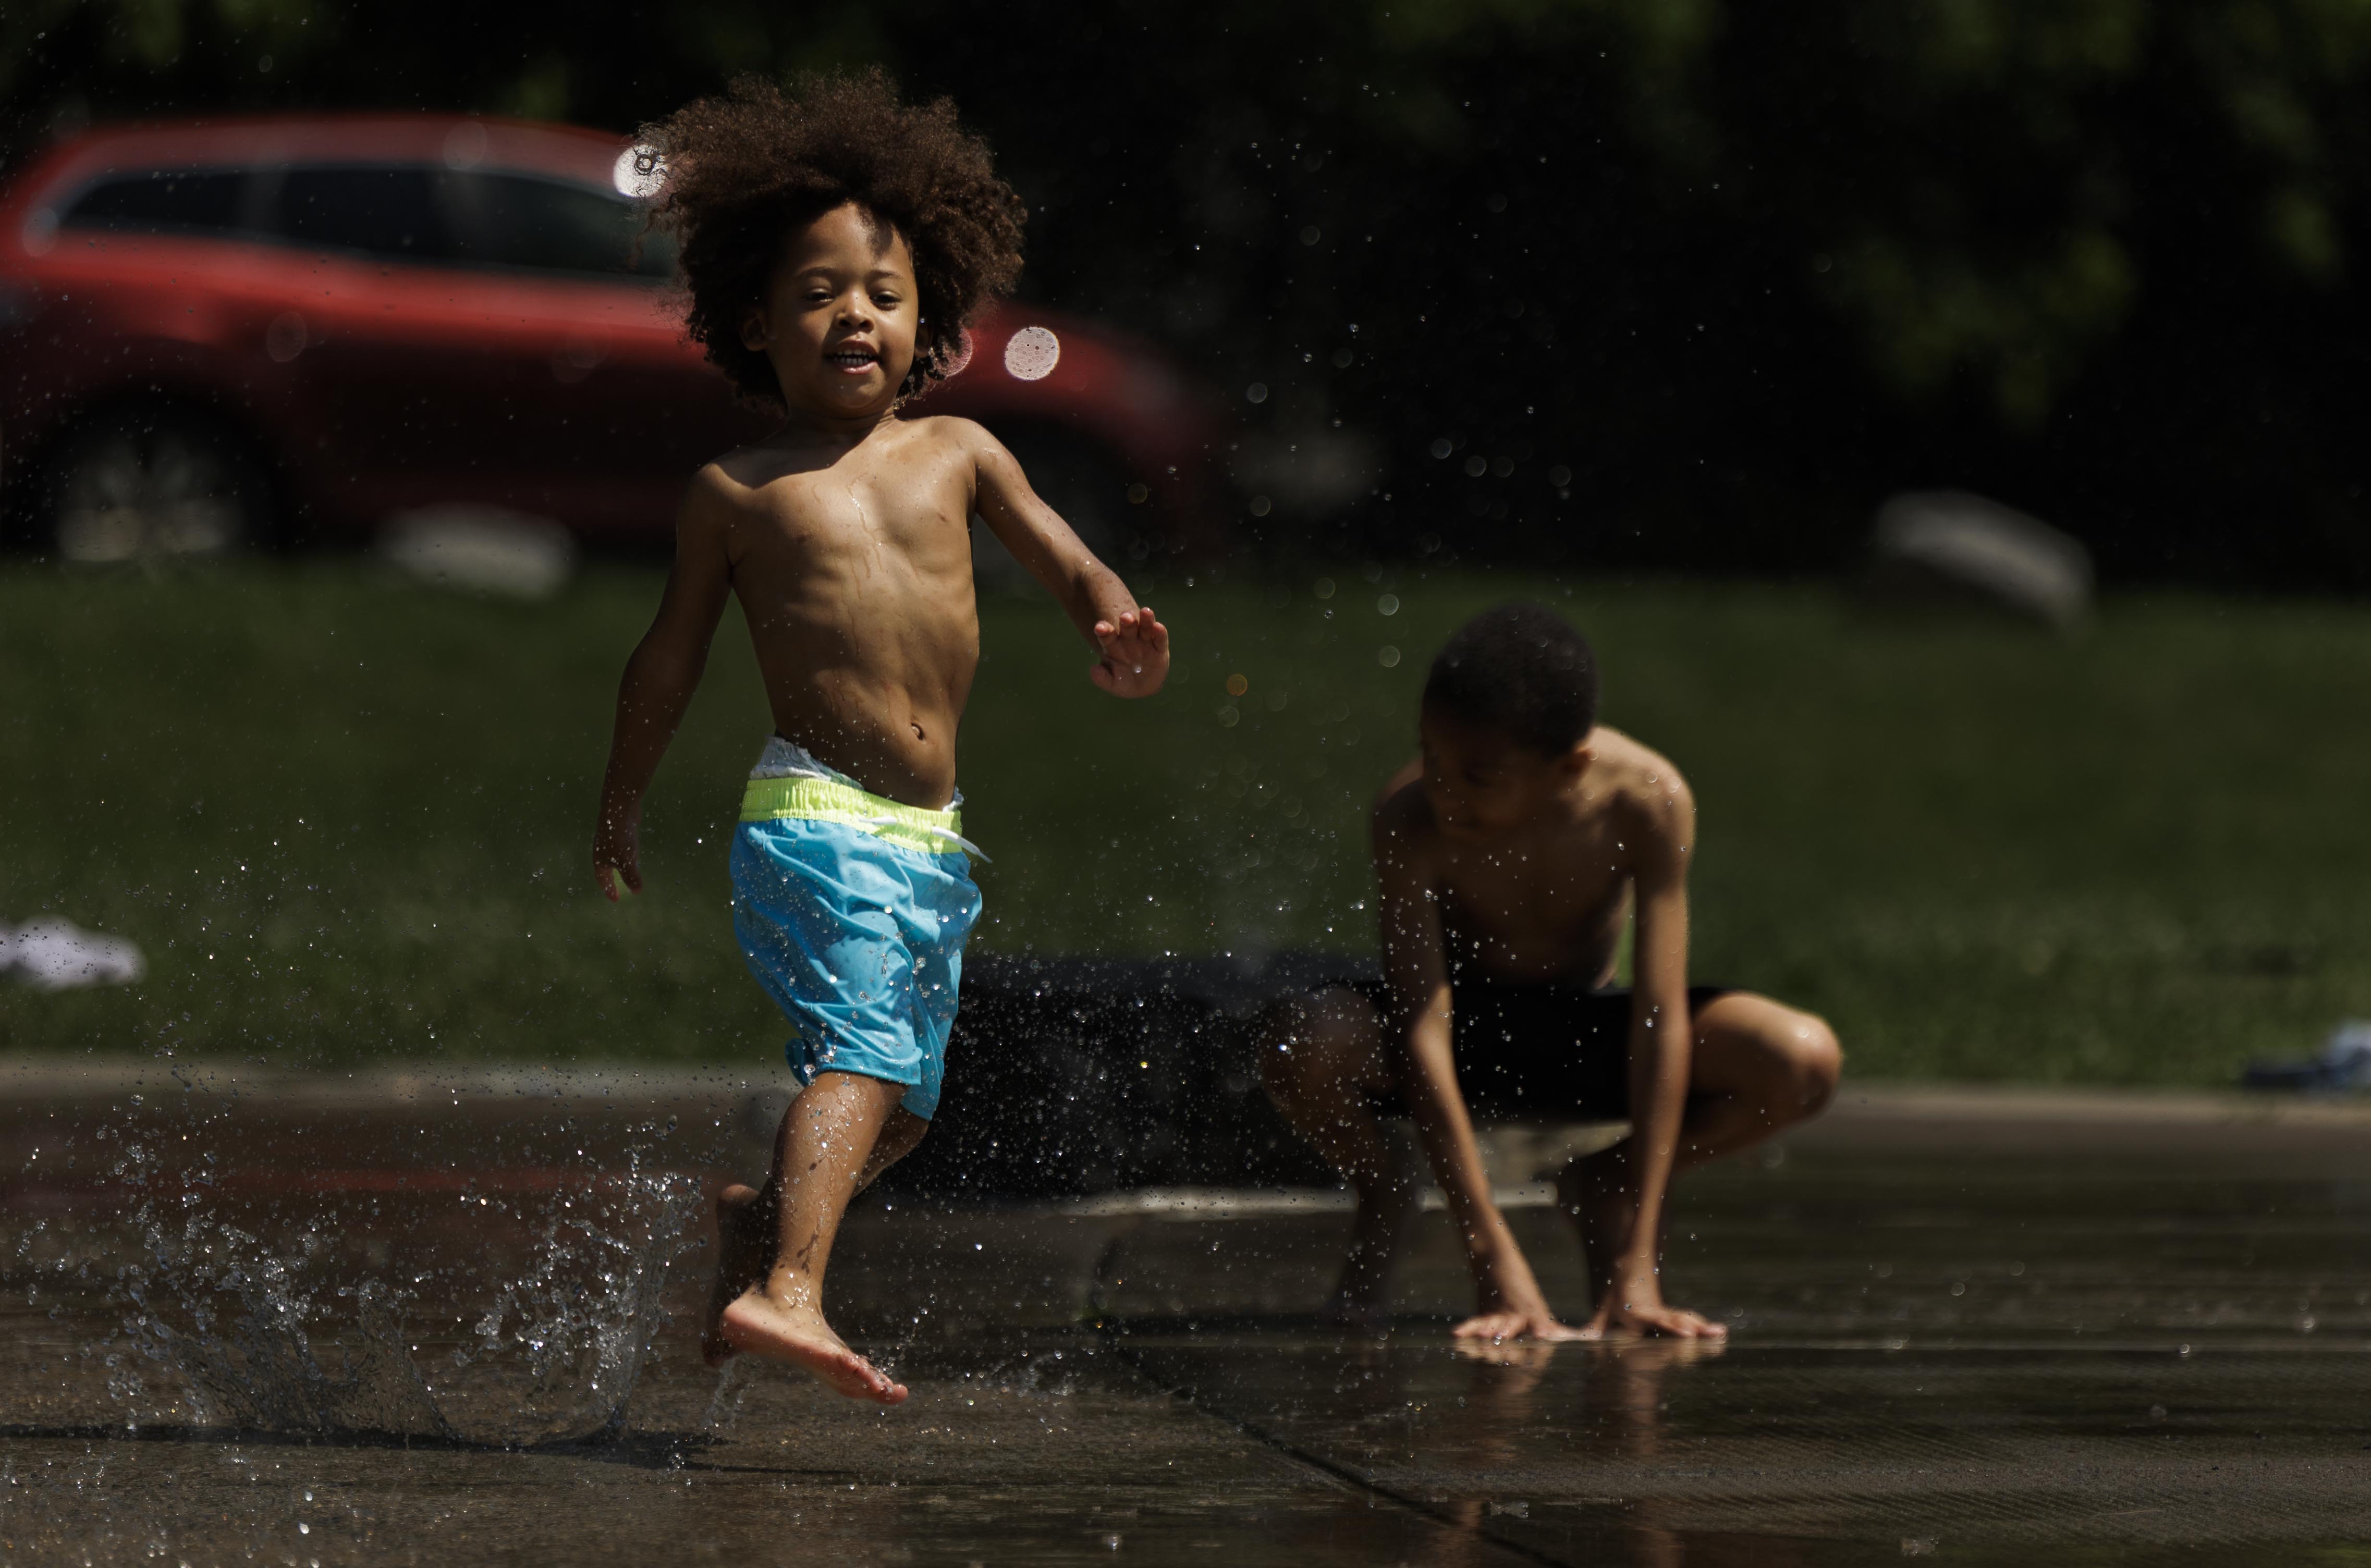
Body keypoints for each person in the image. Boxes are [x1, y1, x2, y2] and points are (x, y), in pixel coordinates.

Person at [591, 73, 1169, 1405]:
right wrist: (623, 797)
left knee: (902, 1107)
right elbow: (665, 660)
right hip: (816, 817)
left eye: (885, 293)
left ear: (930, 325)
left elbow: (1065, 557)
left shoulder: (961, 452)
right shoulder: (739, 492)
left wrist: (1113, 619)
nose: (854, 311)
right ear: (755, 324)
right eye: (817, 292)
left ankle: (756, 1225)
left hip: (928, 837)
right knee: (860, 1057)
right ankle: (788, 1286)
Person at [1261, 603, 1839, 1341]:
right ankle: (1385, 1191)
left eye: (1477, 776)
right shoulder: (1410, 819)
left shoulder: (1646, 801)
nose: (1446, 792)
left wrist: (1638, 1256)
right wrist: (1488, 1252)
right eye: (1430, 758)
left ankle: (1605, 1185)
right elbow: (1423, 1027)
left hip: (1581, 1028)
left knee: (1801, 1059)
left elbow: (1657, 1022)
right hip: (1466, 1032)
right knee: (1299, 1040)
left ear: (1571, 765)